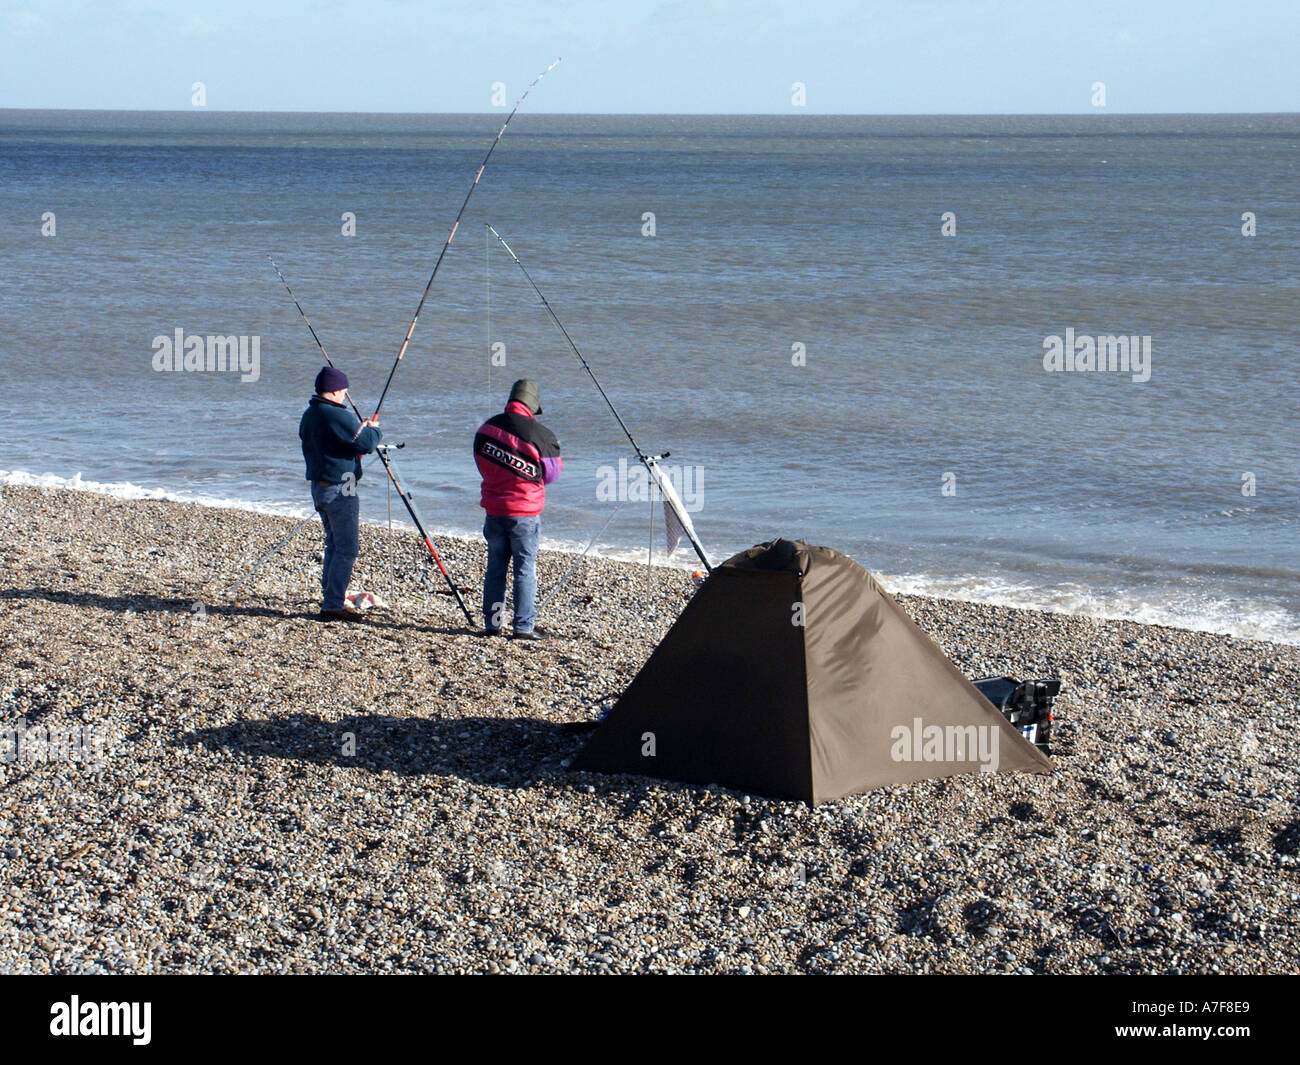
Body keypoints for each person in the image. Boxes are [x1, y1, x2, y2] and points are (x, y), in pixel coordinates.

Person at [473, 379, 562, 639]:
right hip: (525, 513)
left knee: (496, 568)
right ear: (532, 406)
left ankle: (493, 625)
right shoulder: (541, 435)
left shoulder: (486, 429)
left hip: (494, 510)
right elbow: (553, 473)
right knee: (524, 569)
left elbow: (481, 463)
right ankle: (523, 628)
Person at [299, 366, 382, 621]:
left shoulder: (310, 413)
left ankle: (331, 596)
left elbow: (339, 442)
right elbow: (367, 443)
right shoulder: (334, 414)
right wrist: (374, 429)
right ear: (334, 391)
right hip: (340, 488)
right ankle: (333, 604)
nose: (345, 396)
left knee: (334, 544)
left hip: (319, 487)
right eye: (344, 392)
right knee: (347, 547)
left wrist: (360, 430)